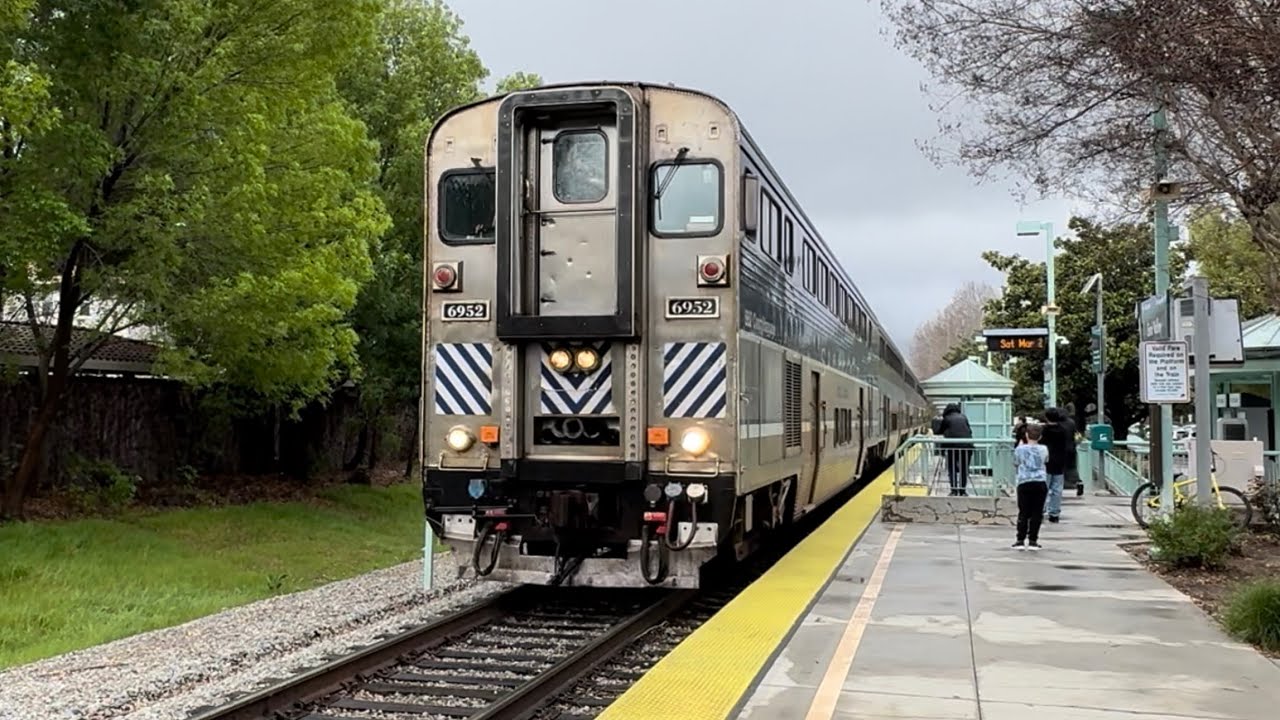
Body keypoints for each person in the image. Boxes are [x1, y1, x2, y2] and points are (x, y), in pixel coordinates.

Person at [1012, 423, 1049, 550]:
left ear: (1026, 435)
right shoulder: (1044, 449)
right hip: (1040, 482)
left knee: (1023, 512)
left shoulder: (1020, 449)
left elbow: (1016, 462)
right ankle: (1033, 540)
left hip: (1024, 481)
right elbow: (1046, 461)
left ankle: (1020, 540)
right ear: (1040, 437)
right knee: (1037, 512)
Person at [1040, 407, 1073, 522]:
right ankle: (1054, 512)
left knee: (1044, 488)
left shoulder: (1044, 431)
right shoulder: (1063, 430)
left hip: (1046, 462)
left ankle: (1041, 509)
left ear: (1046, 417)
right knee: (1057, 489)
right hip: (1060, 462)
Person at [936, 403, 974, 496]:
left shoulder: (947, 418)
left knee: (952, 468)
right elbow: (970, 431)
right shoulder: (963, 417)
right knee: (964, 469)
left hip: (952, 447)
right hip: (967, 447)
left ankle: (953, 490)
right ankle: (962, 491)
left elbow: (939, 431)